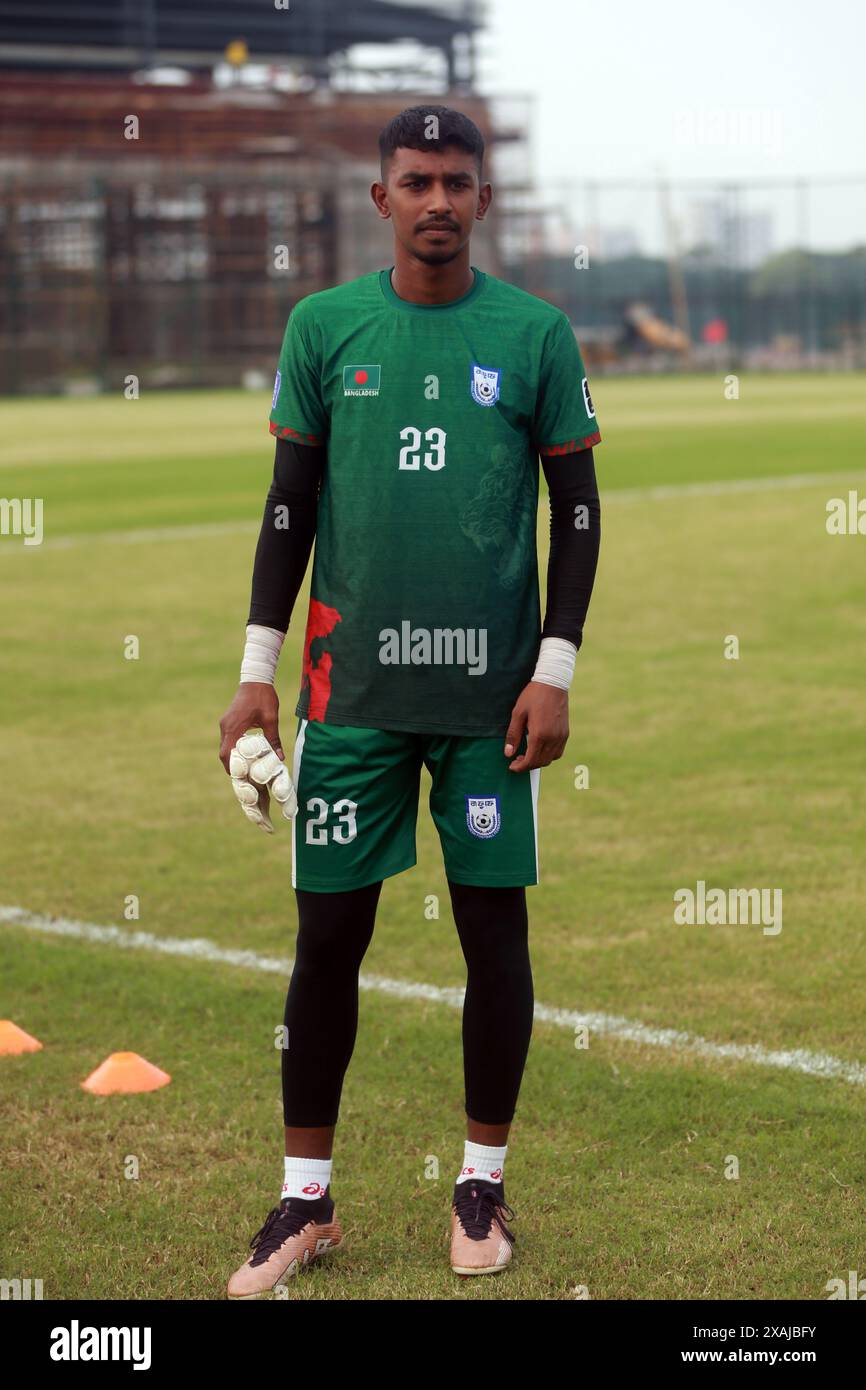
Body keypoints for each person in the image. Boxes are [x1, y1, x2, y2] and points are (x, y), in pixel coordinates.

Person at [219, 105, 601, 1297]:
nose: (436, 198)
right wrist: (253, 673)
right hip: (351, 702)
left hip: (493, 707)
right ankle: (304, 1202)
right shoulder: (323, 327)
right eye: (414, 180)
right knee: (327, 938)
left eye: (456, 181)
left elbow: (578, 516)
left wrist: (554, 669)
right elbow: (289, 509)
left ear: (482, 200)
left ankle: (479, 1182)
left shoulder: (535, 334)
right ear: (380, 199)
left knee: (496, 935)